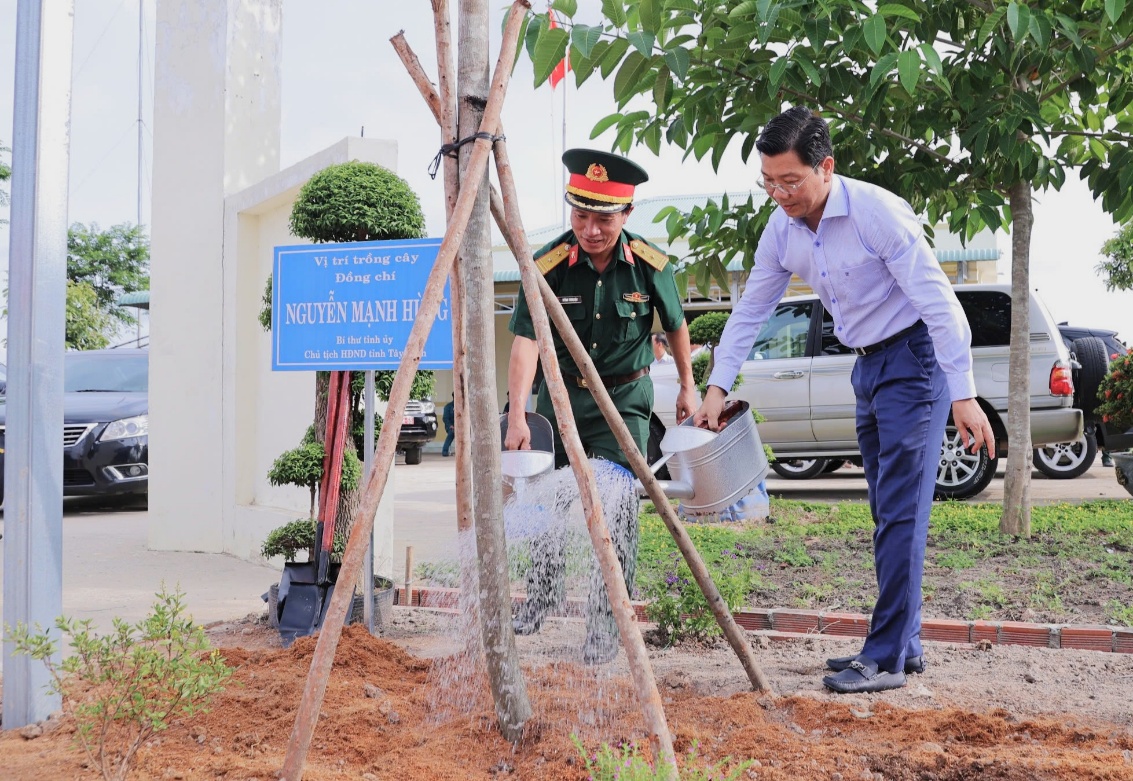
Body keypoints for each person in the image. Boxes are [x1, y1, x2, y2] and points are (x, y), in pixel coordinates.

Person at [692, 107, 995, 694]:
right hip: (867, 367)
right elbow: (751, 310)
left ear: (825, 168)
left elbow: (941, 306)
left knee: (903, 511)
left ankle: (881, 656)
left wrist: (964, 395)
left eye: (790, 181)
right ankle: (903, 647)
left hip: (917, 362)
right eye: (768, 182)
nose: (779, 194)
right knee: (887, 513)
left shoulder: (876, 214)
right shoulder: (781, 230)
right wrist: (716, 388)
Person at [505, 148, 697, 664]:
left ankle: (605, 626)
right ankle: (539, 596)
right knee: (545, 502)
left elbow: (676, 326)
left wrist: (687, 386)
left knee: (617, 512)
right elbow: (525, 340)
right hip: (562, 399)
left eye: (603, 219)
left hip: (625, 400)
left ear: (627, 214)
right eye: (581, 215)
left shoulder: (650, 266)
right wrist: (519, 415)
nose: (591, 230)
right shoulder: (546, 265)